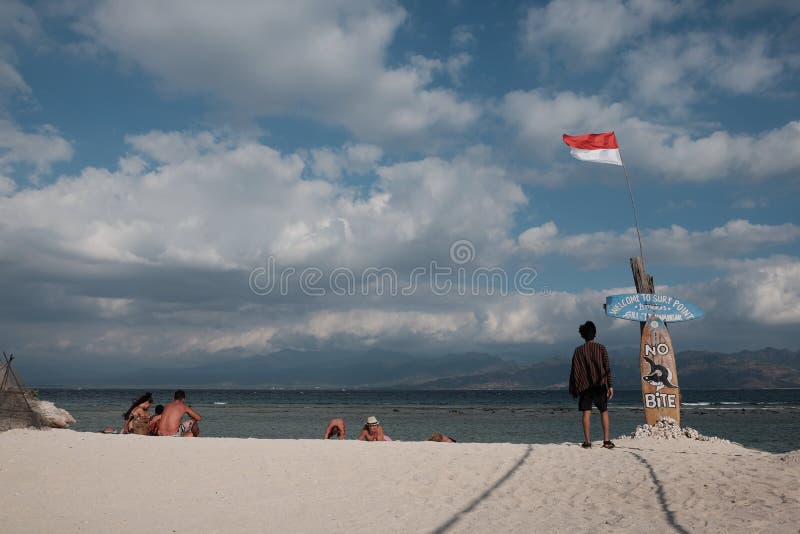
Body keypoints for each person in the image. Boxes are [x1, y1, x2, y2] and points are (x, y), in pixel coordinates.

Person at [569, 321, 614, 449]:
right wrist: (610, 385)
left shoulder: (578, 351)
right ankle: (606, 441)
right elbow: (607, 368)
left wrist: (574, 389)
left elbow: (575, 370)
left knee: (586, 413)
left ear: (582, 335)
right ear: (595, 334)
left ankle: (587, 442)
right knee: (604, 411)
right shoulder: (601, 348)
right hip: (600, 384)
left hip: (585, 386)